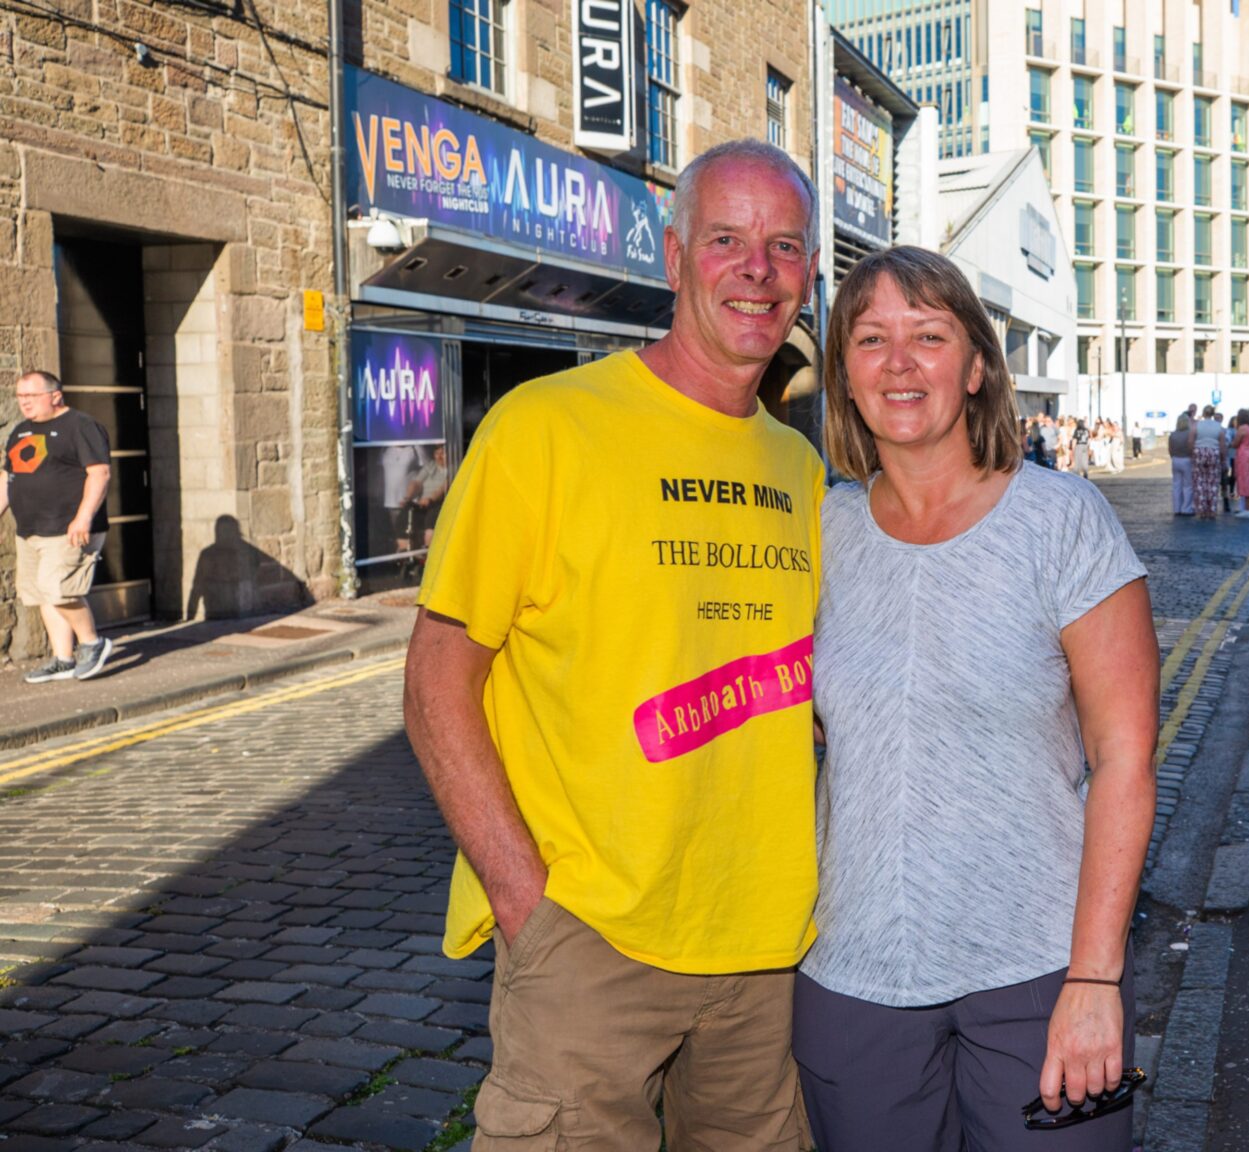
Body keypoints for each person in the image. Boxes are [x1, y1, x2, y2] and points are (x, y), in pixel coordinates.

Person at [402, 140, 824, 1150]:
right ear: (674, 257)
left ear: (809, 273)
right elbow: (435, 684)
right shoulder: (546, 428)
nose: (756, 269)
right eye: (725, 240)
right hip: (591, 942)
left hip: (769, 954)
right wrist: (526, 900)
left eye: (783, 246)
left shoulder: (801, 468)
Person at [799, 245, 1159, 1148]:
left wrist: (1094, 979)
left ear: (975, 368)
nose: (899, 362)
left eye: (928, 335)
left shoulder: (1062, 520)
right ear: (844, 374)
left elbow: (1123, 758)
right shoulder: (821, 531)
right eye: (870, 339)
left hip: (1038, 976)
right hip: (853, 982)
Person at [3, 371, 115, 683]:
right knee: (43, 594)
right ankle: (63, 659)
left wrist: (84, 517)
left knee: (60, 589)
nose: (24, 402)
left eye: (31, 396)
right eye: (20, 396)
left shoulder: (81, 426)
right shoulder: (21, 431)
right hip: (30, 529)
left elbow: (100, 473)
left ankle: (92, 643)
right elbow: (8, 478)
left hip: (68, 528)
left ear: (55, 395)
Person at [1193, 405, 1227, 520]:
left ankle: (1201, 511)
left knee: (1200, 482)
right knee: (1213, 483)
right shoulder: (1218, 427)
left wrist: (1192, 455)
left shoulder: (1197, 425)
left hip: (1199, 452)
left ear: (1203, 413)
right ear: (1213, 414)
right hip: (1214, 453)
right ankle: (1212, 510)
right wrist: (1223, 460)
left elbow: (1190, 440)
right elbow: (1222, 445)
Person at [1168, 412, 1195, 516]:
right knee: (1188, 485)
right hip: (1187, 459)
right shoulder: (1189, 434)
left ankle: (1177, 508)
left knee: (1176, 485)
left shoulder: (1173, 434)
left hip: (1175, 459)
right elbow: (1191, 447)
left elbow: (1170, 449)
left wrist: (1173, 456)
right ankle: (1186, 508)